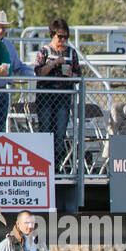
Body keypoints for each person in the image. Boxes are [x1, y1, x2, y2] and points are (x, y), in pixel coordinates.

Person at [32, 19, 81, 169]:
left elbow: (79, 76)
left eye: (65, 37)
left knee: (60, 133)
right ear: (53, 35)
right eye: (60, 36)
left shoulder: (71, 52)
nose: (63, 40)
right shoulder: (44, 51)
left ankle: (57, 166)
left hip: (63, 97)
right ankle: (43, 165)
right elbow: (38, 73)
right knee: (45, 130)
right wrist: (53, 64)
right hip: (46, 96)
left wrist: (70, 73)